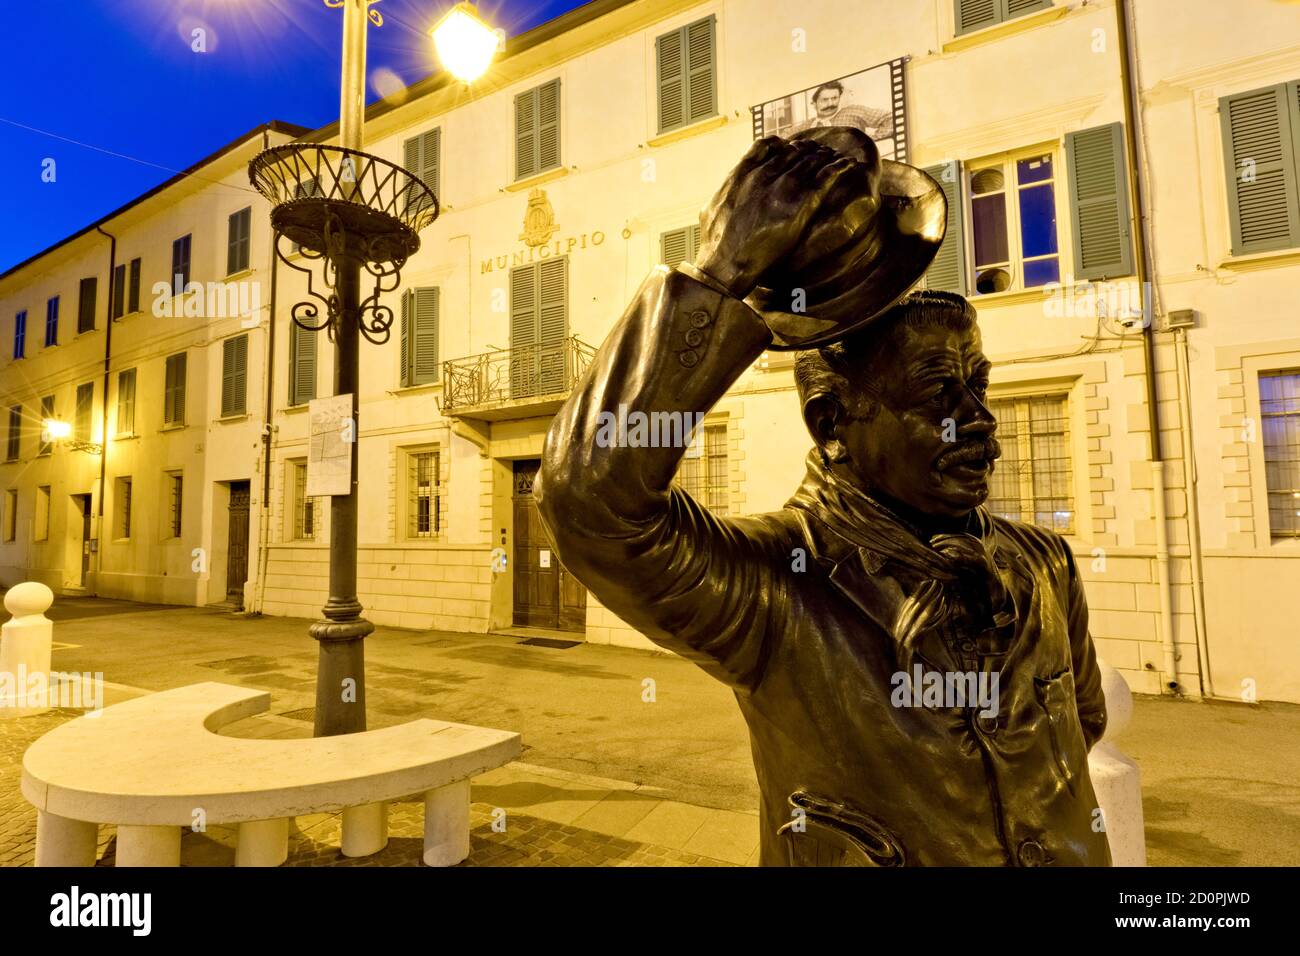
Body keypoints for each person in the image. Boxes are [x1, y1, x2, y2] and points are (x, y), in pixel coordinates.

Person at [535, 135, 1110, 866]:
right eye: (938, 393)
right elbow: (590, 499)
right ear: (833, 423)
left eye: (978, 386)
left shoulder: (1043, 563)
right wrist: (717, 275)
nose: (980, 418)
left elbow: (1078, 729)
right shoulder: (777, 584)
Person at [787, 80, 894, 140]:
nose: (830, 104)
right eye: (824, 100)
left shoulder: (853, 112)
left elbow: (890, 118)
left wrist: (871, 142)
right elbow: (782, 139)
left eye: (834, 98)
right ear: (814, 104)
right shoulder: (806, 127)